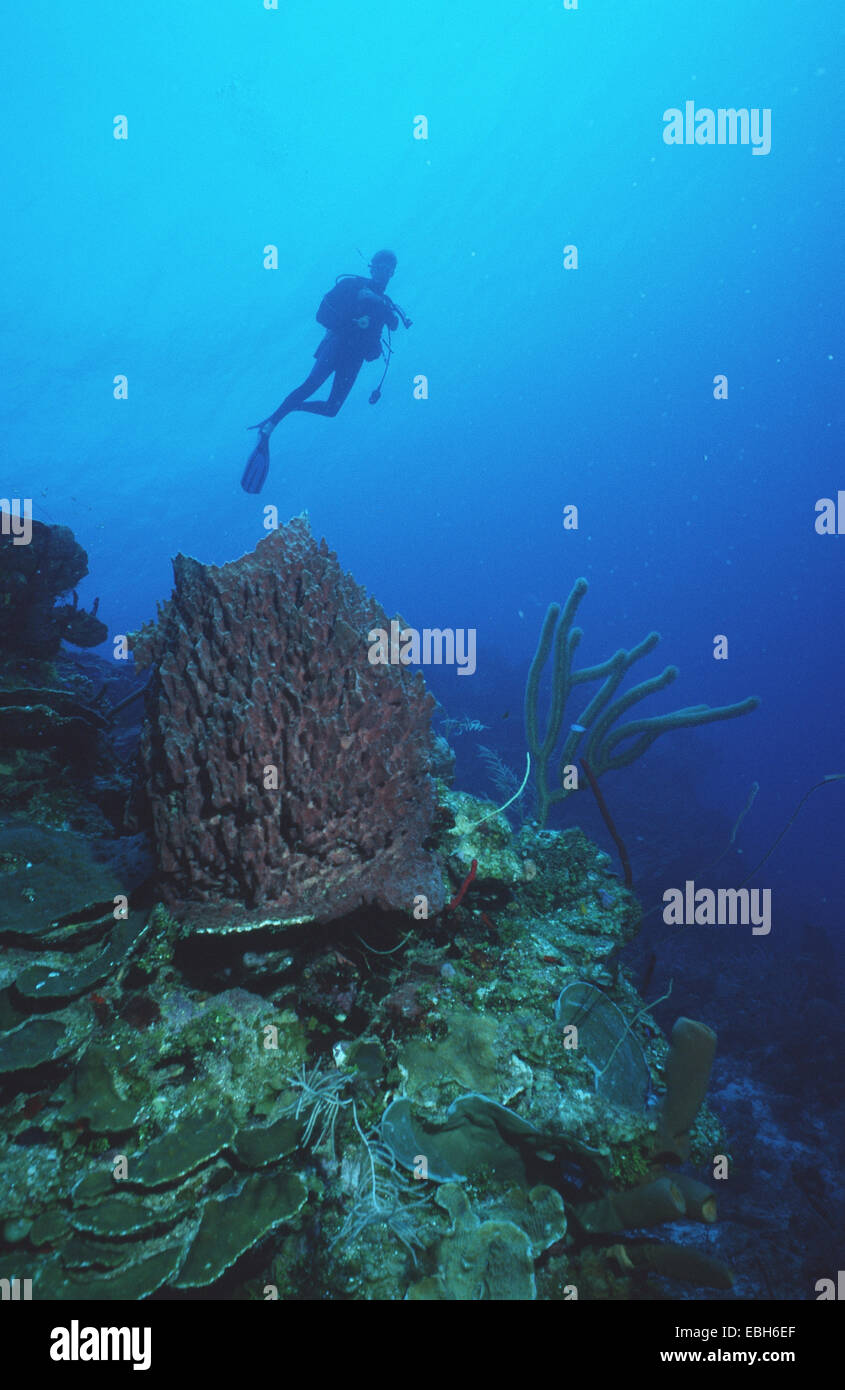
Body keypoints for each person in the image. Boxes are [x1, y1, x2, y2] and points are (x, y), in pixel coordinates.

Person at [241, 250, 401, 493]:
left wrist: (379, 303)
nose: (385, 273)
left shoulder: (385, 303)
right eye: (381, 266)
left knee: (332, 409)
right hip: (336, 344)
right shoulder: (351, 285)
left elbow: (395, 324)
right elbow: (321, 314)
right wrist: (352, 318)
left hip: (354, 358)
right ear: (372, 267)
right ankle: (269, 428)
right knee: (310, 385)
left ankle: (292, 407)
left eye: (390, 269)